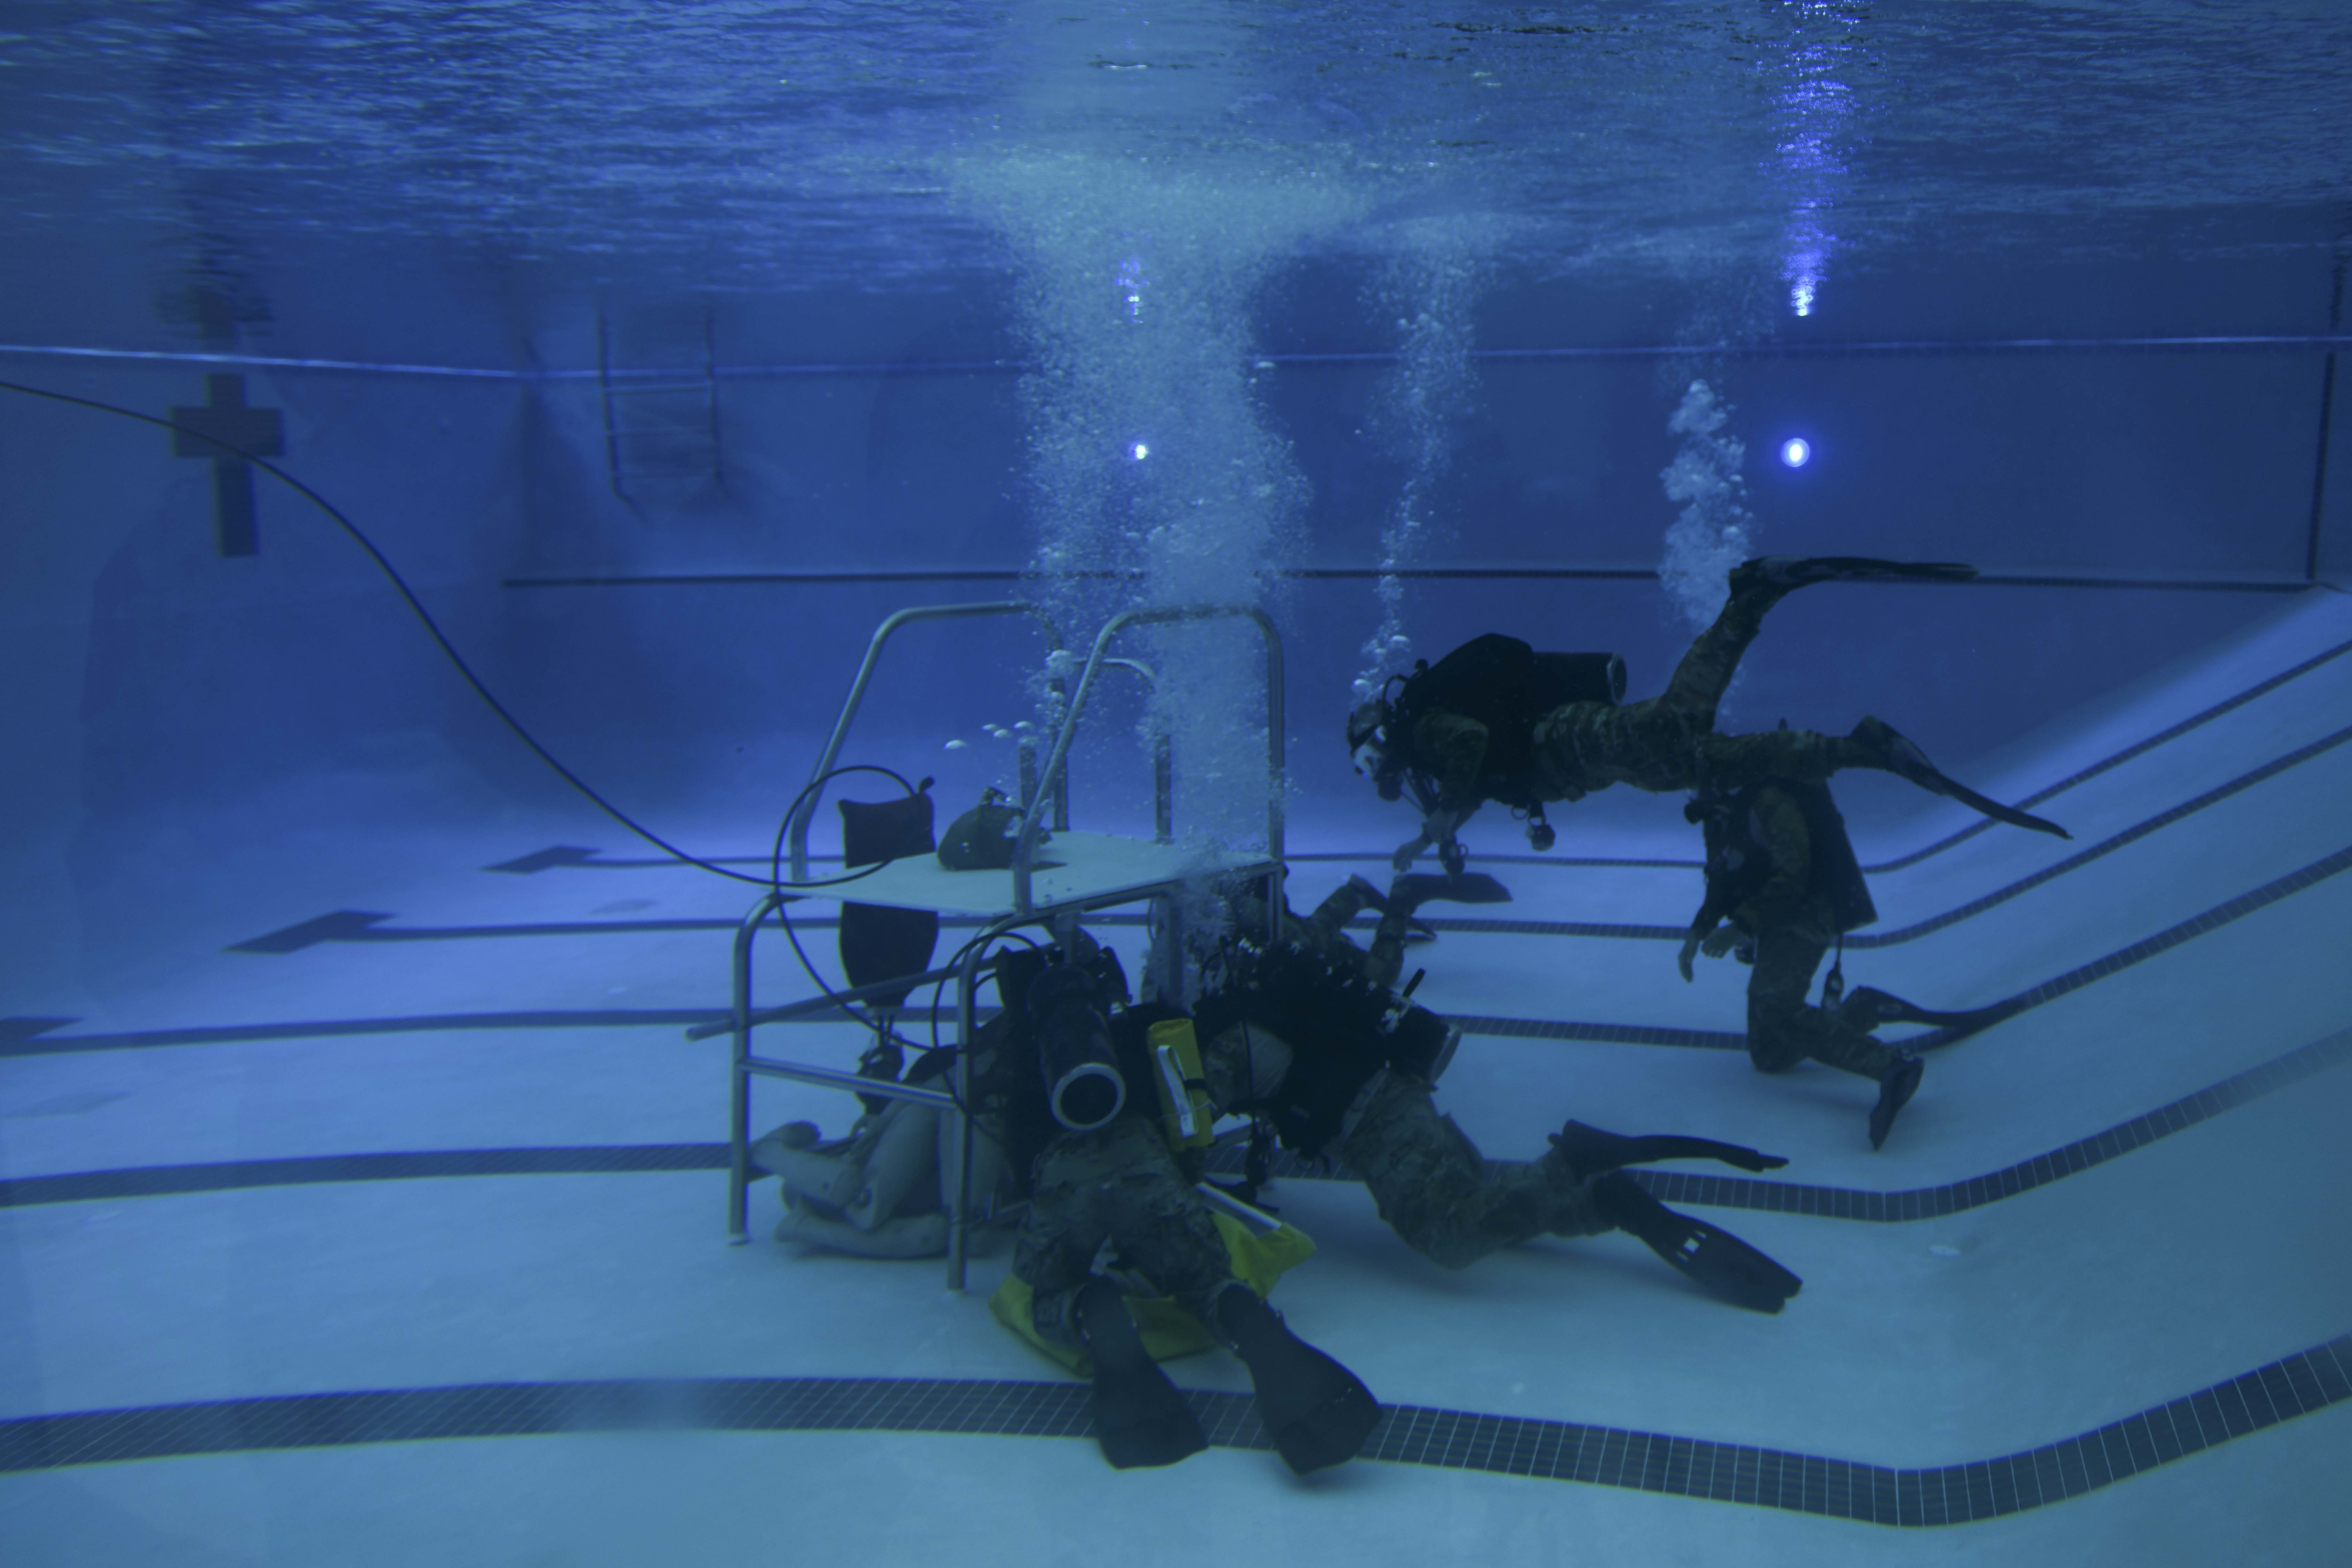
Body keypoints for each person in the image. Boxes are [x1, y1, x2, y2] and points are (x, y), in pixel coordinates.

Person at [1347, 557, 2069, 872]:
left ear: (1380, 739)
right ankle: (1862, 748)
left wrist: (1442, 820)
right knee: (1705, 765)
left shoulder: (1420, 730)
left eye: (1370, 763)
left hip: (1569, 740)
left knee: (1675, 726)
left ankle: (1752, 594)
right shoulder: (1424, 741)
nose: (1382, 774)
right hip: (1586, 764)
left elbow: (1471, 741)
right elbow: (1475, 767)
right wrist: (1439, 832)